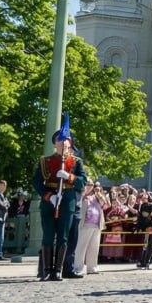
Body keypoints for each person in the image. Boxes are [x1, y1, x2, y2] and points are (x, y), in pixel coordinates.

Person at [32, 121, 86, 282]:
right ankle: (46, 270)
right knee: (48, 235)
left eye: (67, 141)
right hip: (50, 199)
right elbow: (37, 182)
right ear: (55, 144)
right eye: (61, 141)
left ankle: (58, 270)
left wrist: (69, 176)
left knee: (63, 236)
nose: (64, 144)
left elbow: (82, 182)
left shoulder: (76, 162)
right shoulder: (45, 161)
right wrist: (49, 196)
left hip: (68, 198)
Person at [73, 182, 107, 275]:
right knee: (81, 246)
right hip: (85, 224)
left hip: (97, 224)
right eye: (88, 184)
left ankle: (92, 268)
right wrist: (85, 191)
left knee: (94, 247)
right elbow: (78, 201)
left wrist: (99, 194)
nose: (91, 186)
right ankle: (77, 267)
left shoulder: (96, 196)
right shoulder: (82, 194)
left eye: (92, 185)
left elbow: (106, 205)